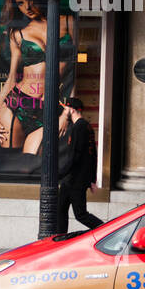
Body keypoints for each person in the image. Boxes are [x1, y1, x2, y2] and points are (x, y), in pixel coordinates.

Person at [0, 0, 75, 157]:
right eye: (20, 3)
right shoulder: (18, 33)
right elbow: (12, 77)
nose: (27, 7)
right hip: (17, 104)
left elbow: (75, 74)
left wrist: (67, 113)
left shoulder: (68, 22)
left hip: (51, 106)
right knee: (15, 164)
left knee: (38, 162)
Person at [56, 98, 103, 234]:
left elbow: (75, 157)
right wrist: (92, 180)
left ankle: (107, 231)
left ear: (72, 110)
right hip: (74, 180)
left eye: (66, 109)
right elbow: (93, 155)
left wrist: (59, 174)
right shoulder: (86, 126)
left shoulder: (79, 128)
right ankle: (60, 240)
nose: (65, 112)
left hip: (74, 180)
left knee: (80, 214)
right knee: (61, 210)